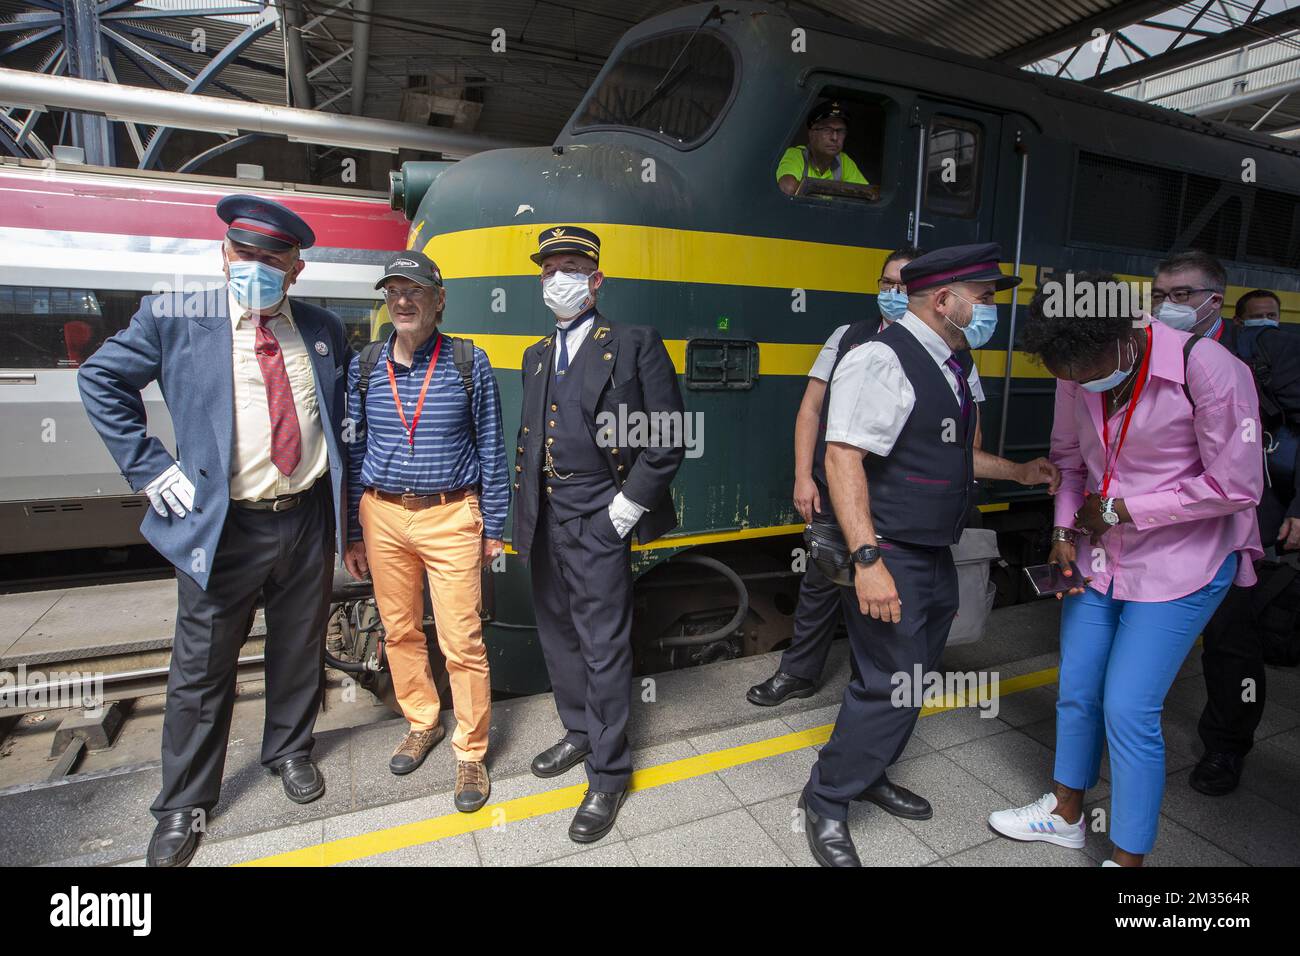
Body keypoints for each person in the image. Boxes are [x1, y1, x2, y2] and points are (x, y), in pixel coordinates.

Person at [78, 195, 351, 867]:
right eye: (243, 255)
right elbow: (100, 380)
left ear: (296, 268)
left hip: (306, 517)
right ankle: (184, 805)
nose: (254, 268)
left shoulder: (321, 328)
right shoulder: (176, 317)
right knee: (200, 671)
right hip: (225, 527)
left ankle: (290, 751)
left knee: (297, 649)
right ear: (223, 255)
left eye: (271, 259)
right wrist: (149, 467)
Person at [797, 243, 1060, 867]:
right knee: (889, 681)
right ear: (946, 301)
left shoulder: (951, 361)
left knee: (912, 676)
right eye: (986, 297)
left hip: (933, 550)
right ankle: (826, 799)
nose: (993, 308)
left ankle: (871, 771)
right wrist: (868, 561)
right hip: (891, 552)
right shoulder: (880, 360)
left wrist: (1019, 472)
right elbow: (842, 458)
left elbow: (952, 454)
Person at [989, 272, 1262, 866]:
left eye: (1087, 367)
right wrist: (1064, 530)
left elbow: (1237, 485)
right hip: (1102, 554)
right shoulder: (1075, 365)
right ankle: (1065, 816)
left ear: (1127, 334)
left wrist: (1124, 509)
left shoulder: (1208, 369)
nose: (1080, 382)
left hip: (1184, 557)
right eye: (1067, 373)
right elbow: (1068, 459)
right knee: (1079, 687)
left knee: (1129, 707)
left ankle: (1127, 859)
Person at [513, 226, 686, 843]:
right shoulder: (536, 355)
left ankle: (609, 774)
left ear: (595, 279)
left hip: (601, 517)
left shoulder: (634, 343)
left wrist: (626, 508)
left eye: (569, 267)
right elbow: (532, 442)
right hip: (546, 519)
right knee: (559, 635)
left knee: (603, 645)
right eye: (548, 269)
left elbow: (667, 437)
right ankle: (580, 733)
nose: (556, 278)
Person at [750, 246, 957, 707]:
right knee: (821, 584)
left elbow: (966, 429)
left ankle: (873, 691)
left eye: (905, 285)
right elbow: (810, 409)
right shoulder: (849, 336)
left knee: (891, 605)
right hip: (837, 492)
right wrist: (804, 476)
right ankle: (798, 673)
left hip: (898, 505)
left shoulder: (946, 351)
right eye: (887, 284)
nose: (894, 292)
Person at [342, 250, 508, 812]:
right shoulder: (365, 365)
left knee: (461, 639)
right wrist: (352, 530)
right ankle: (422, 721)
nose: (403, 301)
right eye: (394, 292)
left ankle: (471, 753)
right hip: (382, 514)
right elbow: (353, 447)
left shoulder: (467, 361)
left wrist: (495, 526)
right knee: (399, 631)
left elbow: (491, 445)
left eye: (415, 291)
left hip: (450, 513)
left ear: (439, 300)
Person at [1188, 286, 1299, 795]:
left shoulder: (1264, 350)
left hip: (1244, 521)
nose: (1173, 303)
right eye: (1164, 293)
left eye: (1184, 293)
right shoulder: (1153, 351)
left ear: (1214, 298)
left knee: (1232, 640)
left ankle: (1226, 747)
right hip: (1177, 520)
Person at [776, 100, 870, 197]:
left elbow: (868, 195)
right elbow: (788, 188)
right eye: (827, 130)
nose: (834, 137)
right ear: (811, 133)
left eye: (840, 131)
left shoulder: (844, 161)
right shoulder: (796, 155)